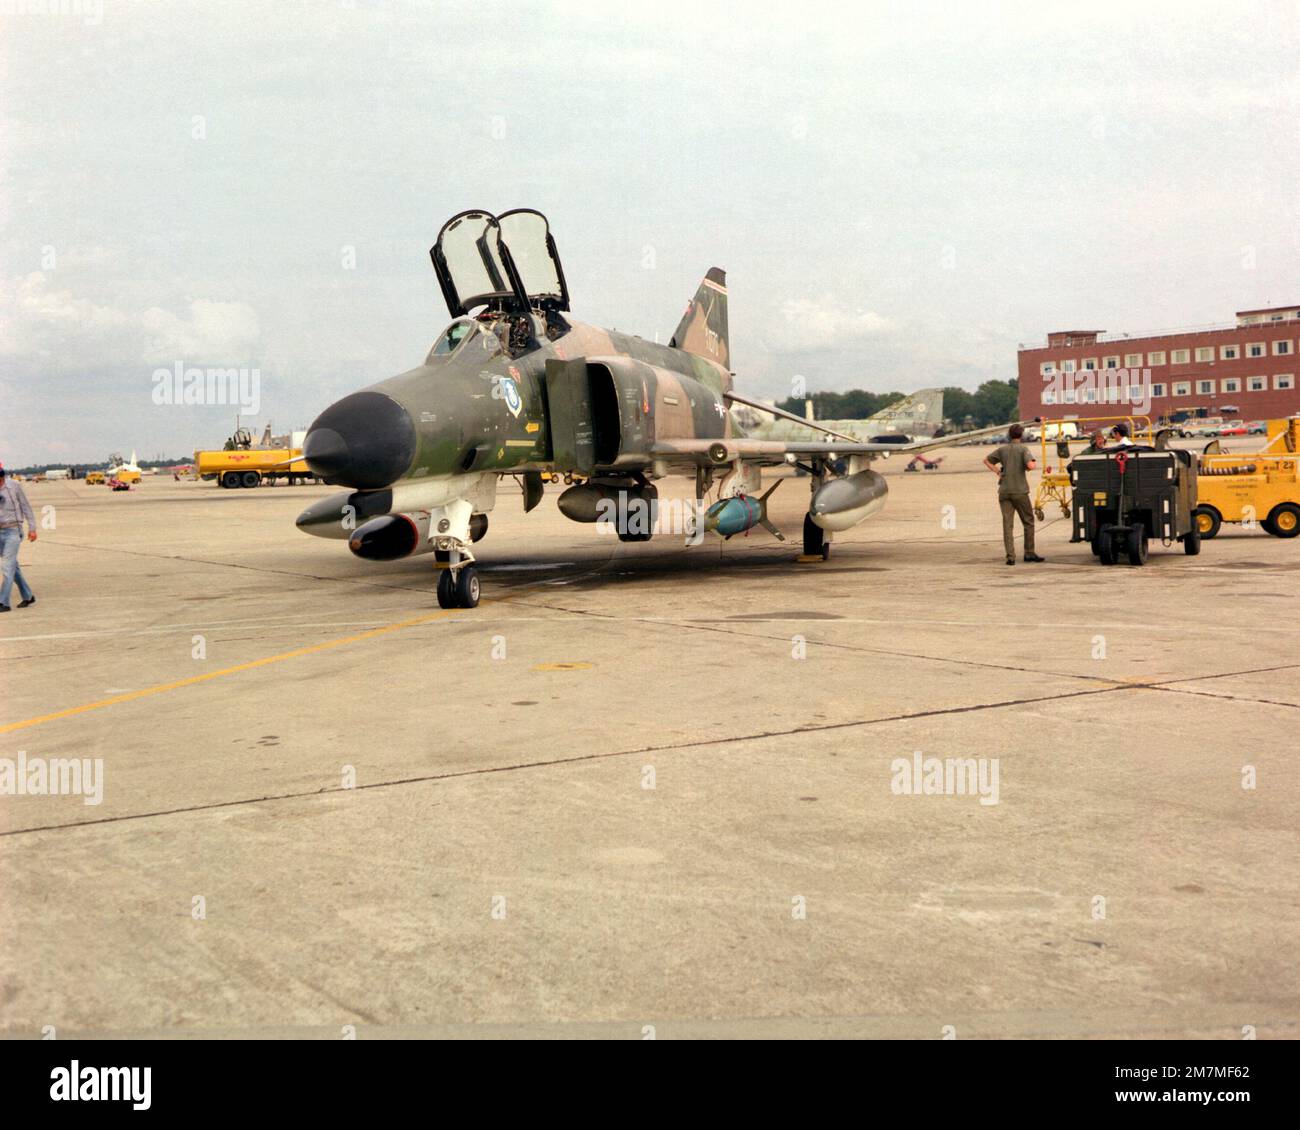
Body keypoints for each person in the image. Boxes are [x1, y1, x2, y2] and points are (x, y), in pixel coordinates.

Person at [984, 424, 1044, 566]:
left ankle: (1010, 556)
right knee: (1028, 521)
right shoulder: (1023, 449)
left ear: (1010, 435)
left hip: (1004, 491)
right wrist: (1031, 463)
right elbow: (1031, 466)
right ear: (1021, 435)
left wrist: (998, 472)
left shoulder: (1002, 449)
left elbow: (986, 460)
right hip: (1020, 491)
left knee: (1007, 524)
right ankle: (1029, 552)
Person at [0, 463, 37, 611]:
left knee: (7, 568)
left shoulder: (14, 486)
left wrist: (32, 528)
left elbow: (26, 507)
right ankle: (28, 596)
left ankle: (3, 602)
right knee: (13, 568)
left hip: (13, 530)